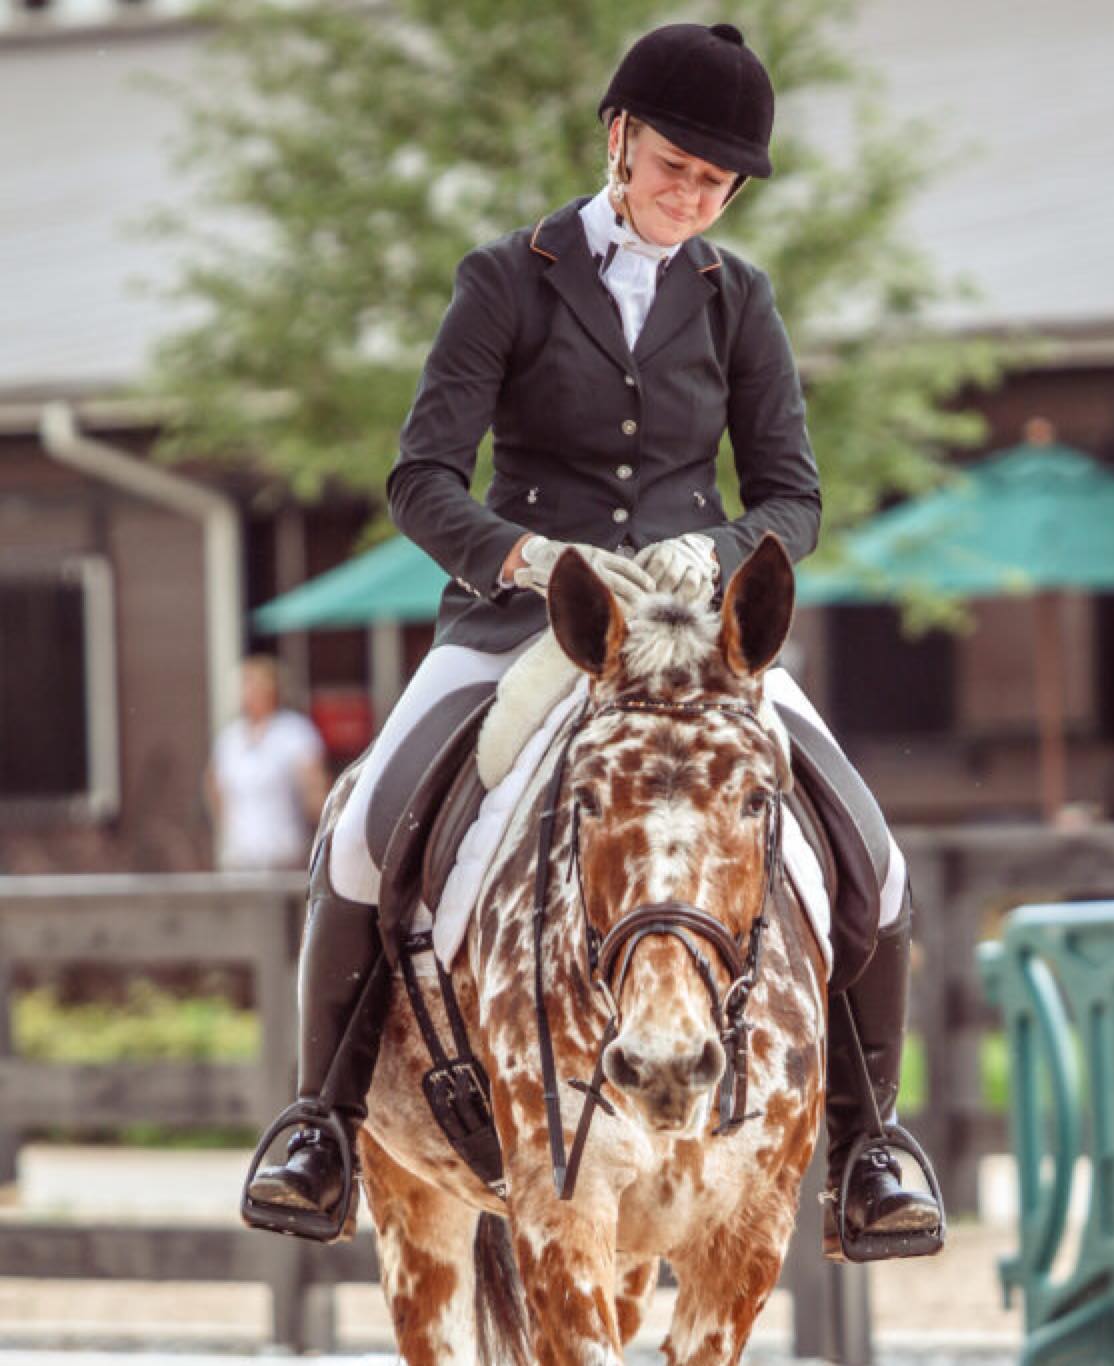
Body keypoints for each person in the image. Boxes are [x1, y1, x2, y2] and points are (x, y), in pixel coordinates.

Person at [244, 21, 943, 1259]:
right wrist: (529, 557)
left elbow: (793, 494)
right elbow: (421, 479)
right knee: (363, 835)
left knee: (872, 861)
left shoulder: (739, 299)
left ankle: (867, 1144)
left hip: (693, 637)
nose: (693, 197)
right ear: (618, 137)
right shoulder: (505, 278)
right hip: (525, 619)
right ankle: (322, 1124)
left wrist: (711, 558)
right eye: (676, 167)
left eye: (718, 183)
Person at [206, 656, 329, 872]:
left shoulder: (295, 732)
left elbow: (314, 790)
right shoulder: (231, 737)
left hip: (283, 854)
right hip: (240, 855)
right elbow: (215, 786)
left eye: (252, 685)